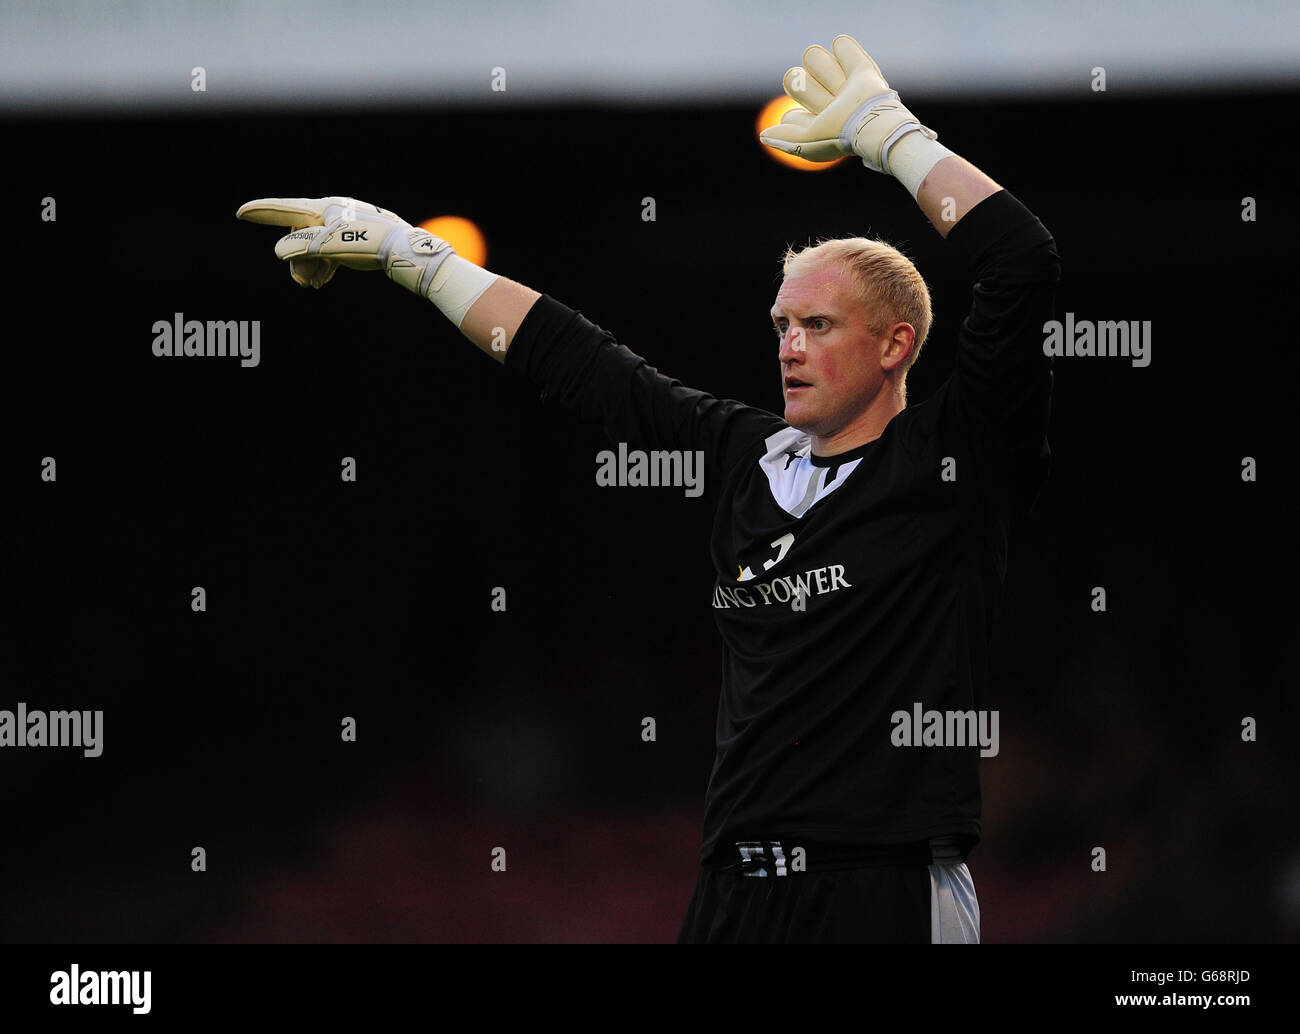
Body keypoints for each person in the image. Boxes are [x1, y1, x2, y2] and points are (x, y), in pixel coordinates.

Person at [237, 35, 1059, 943]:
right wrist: (416, 258)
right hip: (733, 894)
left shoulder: (952, 460)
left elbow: (1020, 259)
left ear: (896, 344)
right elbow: (580, 362)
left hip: (884, 888)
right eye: (781, 323)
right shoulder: (754, 460)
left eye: (817, 324)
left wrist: (886, 130)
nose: (786, 345)